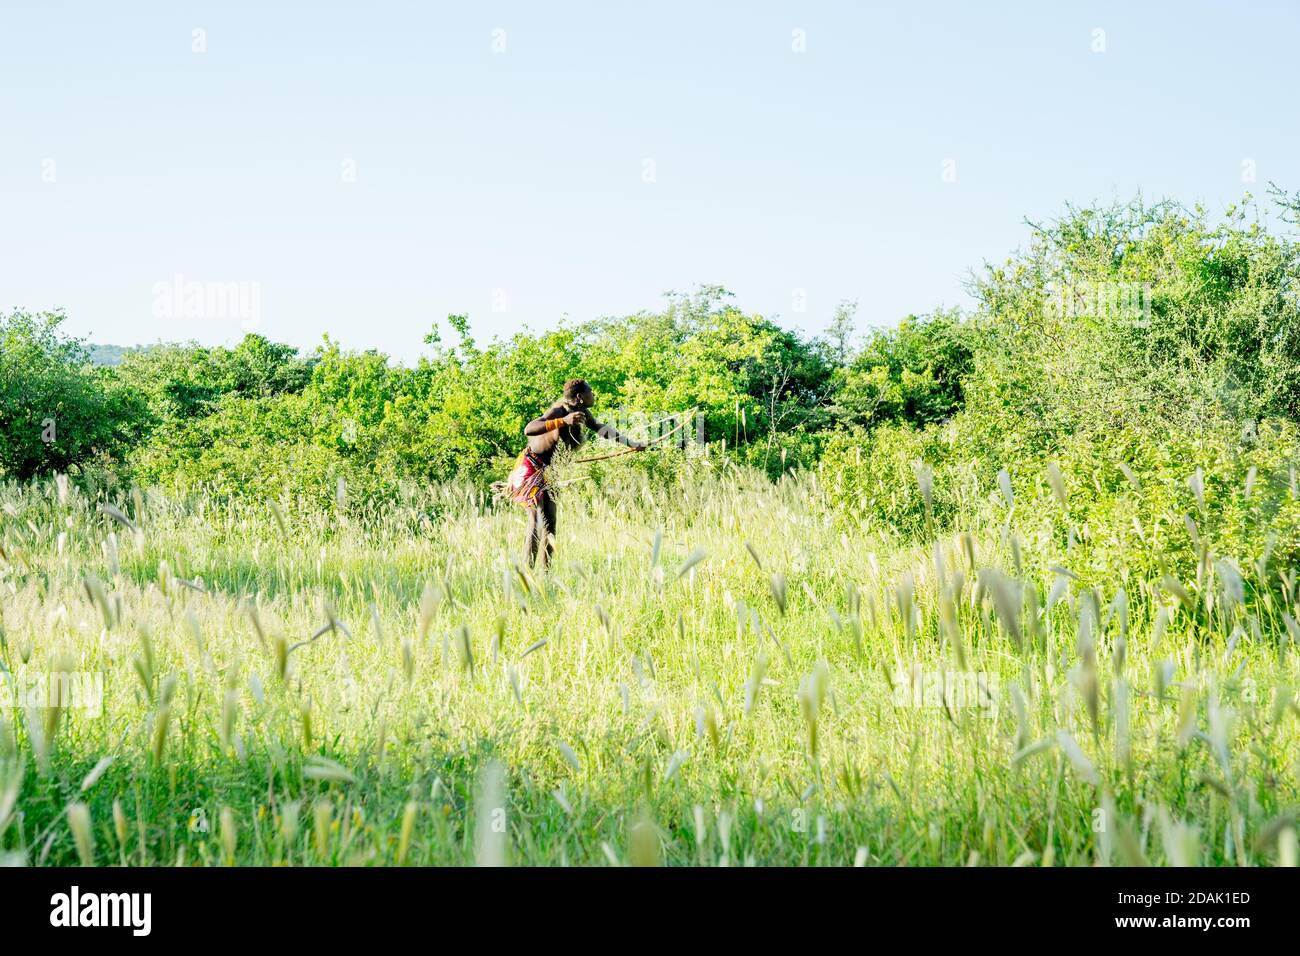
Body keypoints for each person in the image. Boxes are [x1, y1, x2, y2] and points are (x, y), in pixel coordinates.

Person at [505, 379, 646, 569]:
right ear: (580, 397)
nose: (594, 395)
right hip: (531, 468)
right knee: (536, 519)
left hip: (550, 472)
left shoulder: (583, 413)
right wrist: (562, 421)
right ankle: (525, 573)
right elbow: (529, 429)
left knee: (550, 524)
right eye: (591, 391)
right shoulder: (559, 410)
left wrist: (632, 443)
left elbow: (602, 429)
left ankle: (545, 575)